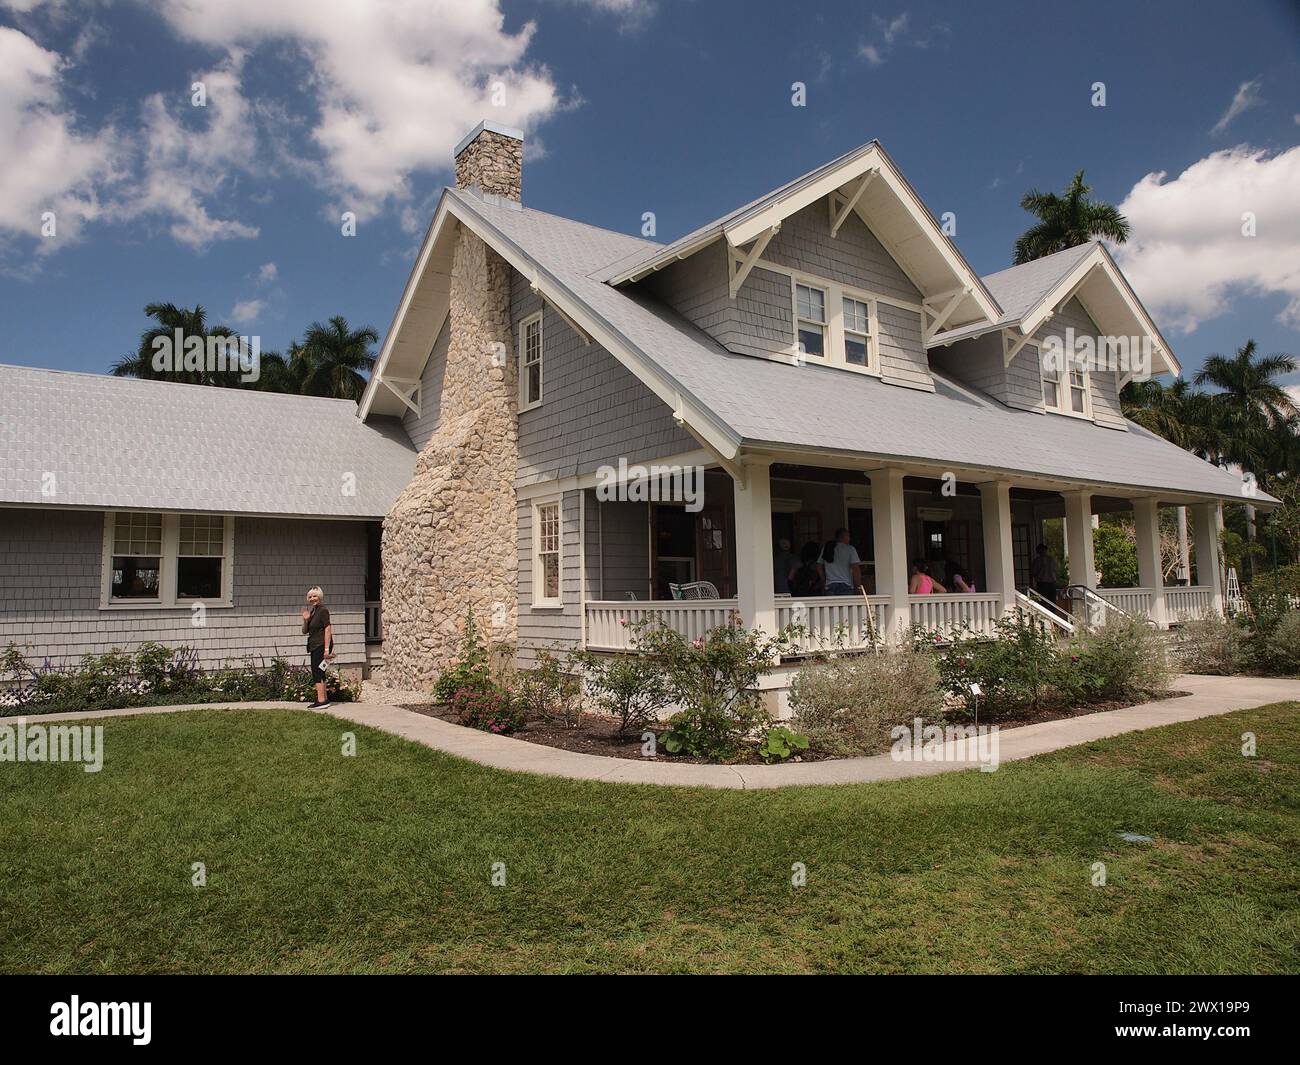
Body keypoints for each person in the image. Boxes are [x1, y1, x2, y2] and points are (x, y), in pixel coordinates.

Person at [300, 586, 335, 709]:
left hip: (321, 645)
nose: (312, 598)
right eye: (310, 597)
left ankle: (321, 701)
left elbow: (328, 628)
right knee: (320, 671)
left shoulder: (323, 610)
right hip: (314, 645)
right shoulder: (313, 612)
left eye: (315, 596)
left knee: (317, 672)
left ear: (320, 597)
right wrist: (306, 620)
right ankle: (324, 698)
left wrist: (326, 649)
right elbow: (305, 631)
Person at [819, 528, 863, 595]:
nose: (849, 538)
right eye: (848, 536)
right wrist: (858, 587)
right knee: (847, 605)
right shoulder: (850, 549)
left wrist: (823, 580)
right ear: (842, 537)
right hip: (846, 585)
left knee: (831, 605)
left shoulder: (827, 548)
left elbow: (818, 566)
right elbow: (856, 569)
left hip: (830, 586)